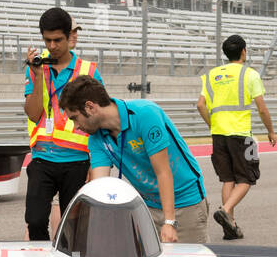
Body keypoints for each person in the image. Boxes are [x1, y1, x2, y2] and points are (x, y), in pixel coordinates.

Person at [59, 75, 209, 242]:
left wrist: (169, 221)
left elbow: (163, 172)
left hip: (185, 203)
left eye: (74, 118)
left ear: (90, 107)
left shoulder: (145, 113)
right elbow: (99, 184)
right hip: (147, 207)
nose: (76, 126)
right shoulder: (96, 138)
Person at [23, 8, 104, 241]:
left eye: (57, 40)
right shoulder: (37, 67)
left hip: (77, 161)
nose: (52, 46)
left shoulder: (89, 71)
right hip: (42, 158)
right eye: (47, 40)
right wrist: (38, 76)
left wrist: (94, 164)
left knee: (75, 229)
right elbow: (33, 113)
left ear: (69, 36)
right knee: (35, 220)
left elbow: (98, 121)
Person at [197, 34, 276, 240]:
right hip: (241, 135)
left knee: (228, 178)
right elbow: (261, 108)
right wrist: (271, 130)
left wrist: (213, 124)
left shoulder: (211, 75)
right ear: (243, 51)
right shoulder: (250, 75)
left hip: (218, 134)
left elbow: (200, 105)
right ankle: (226, 210)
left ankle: (230, 225)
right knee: (247, 178)